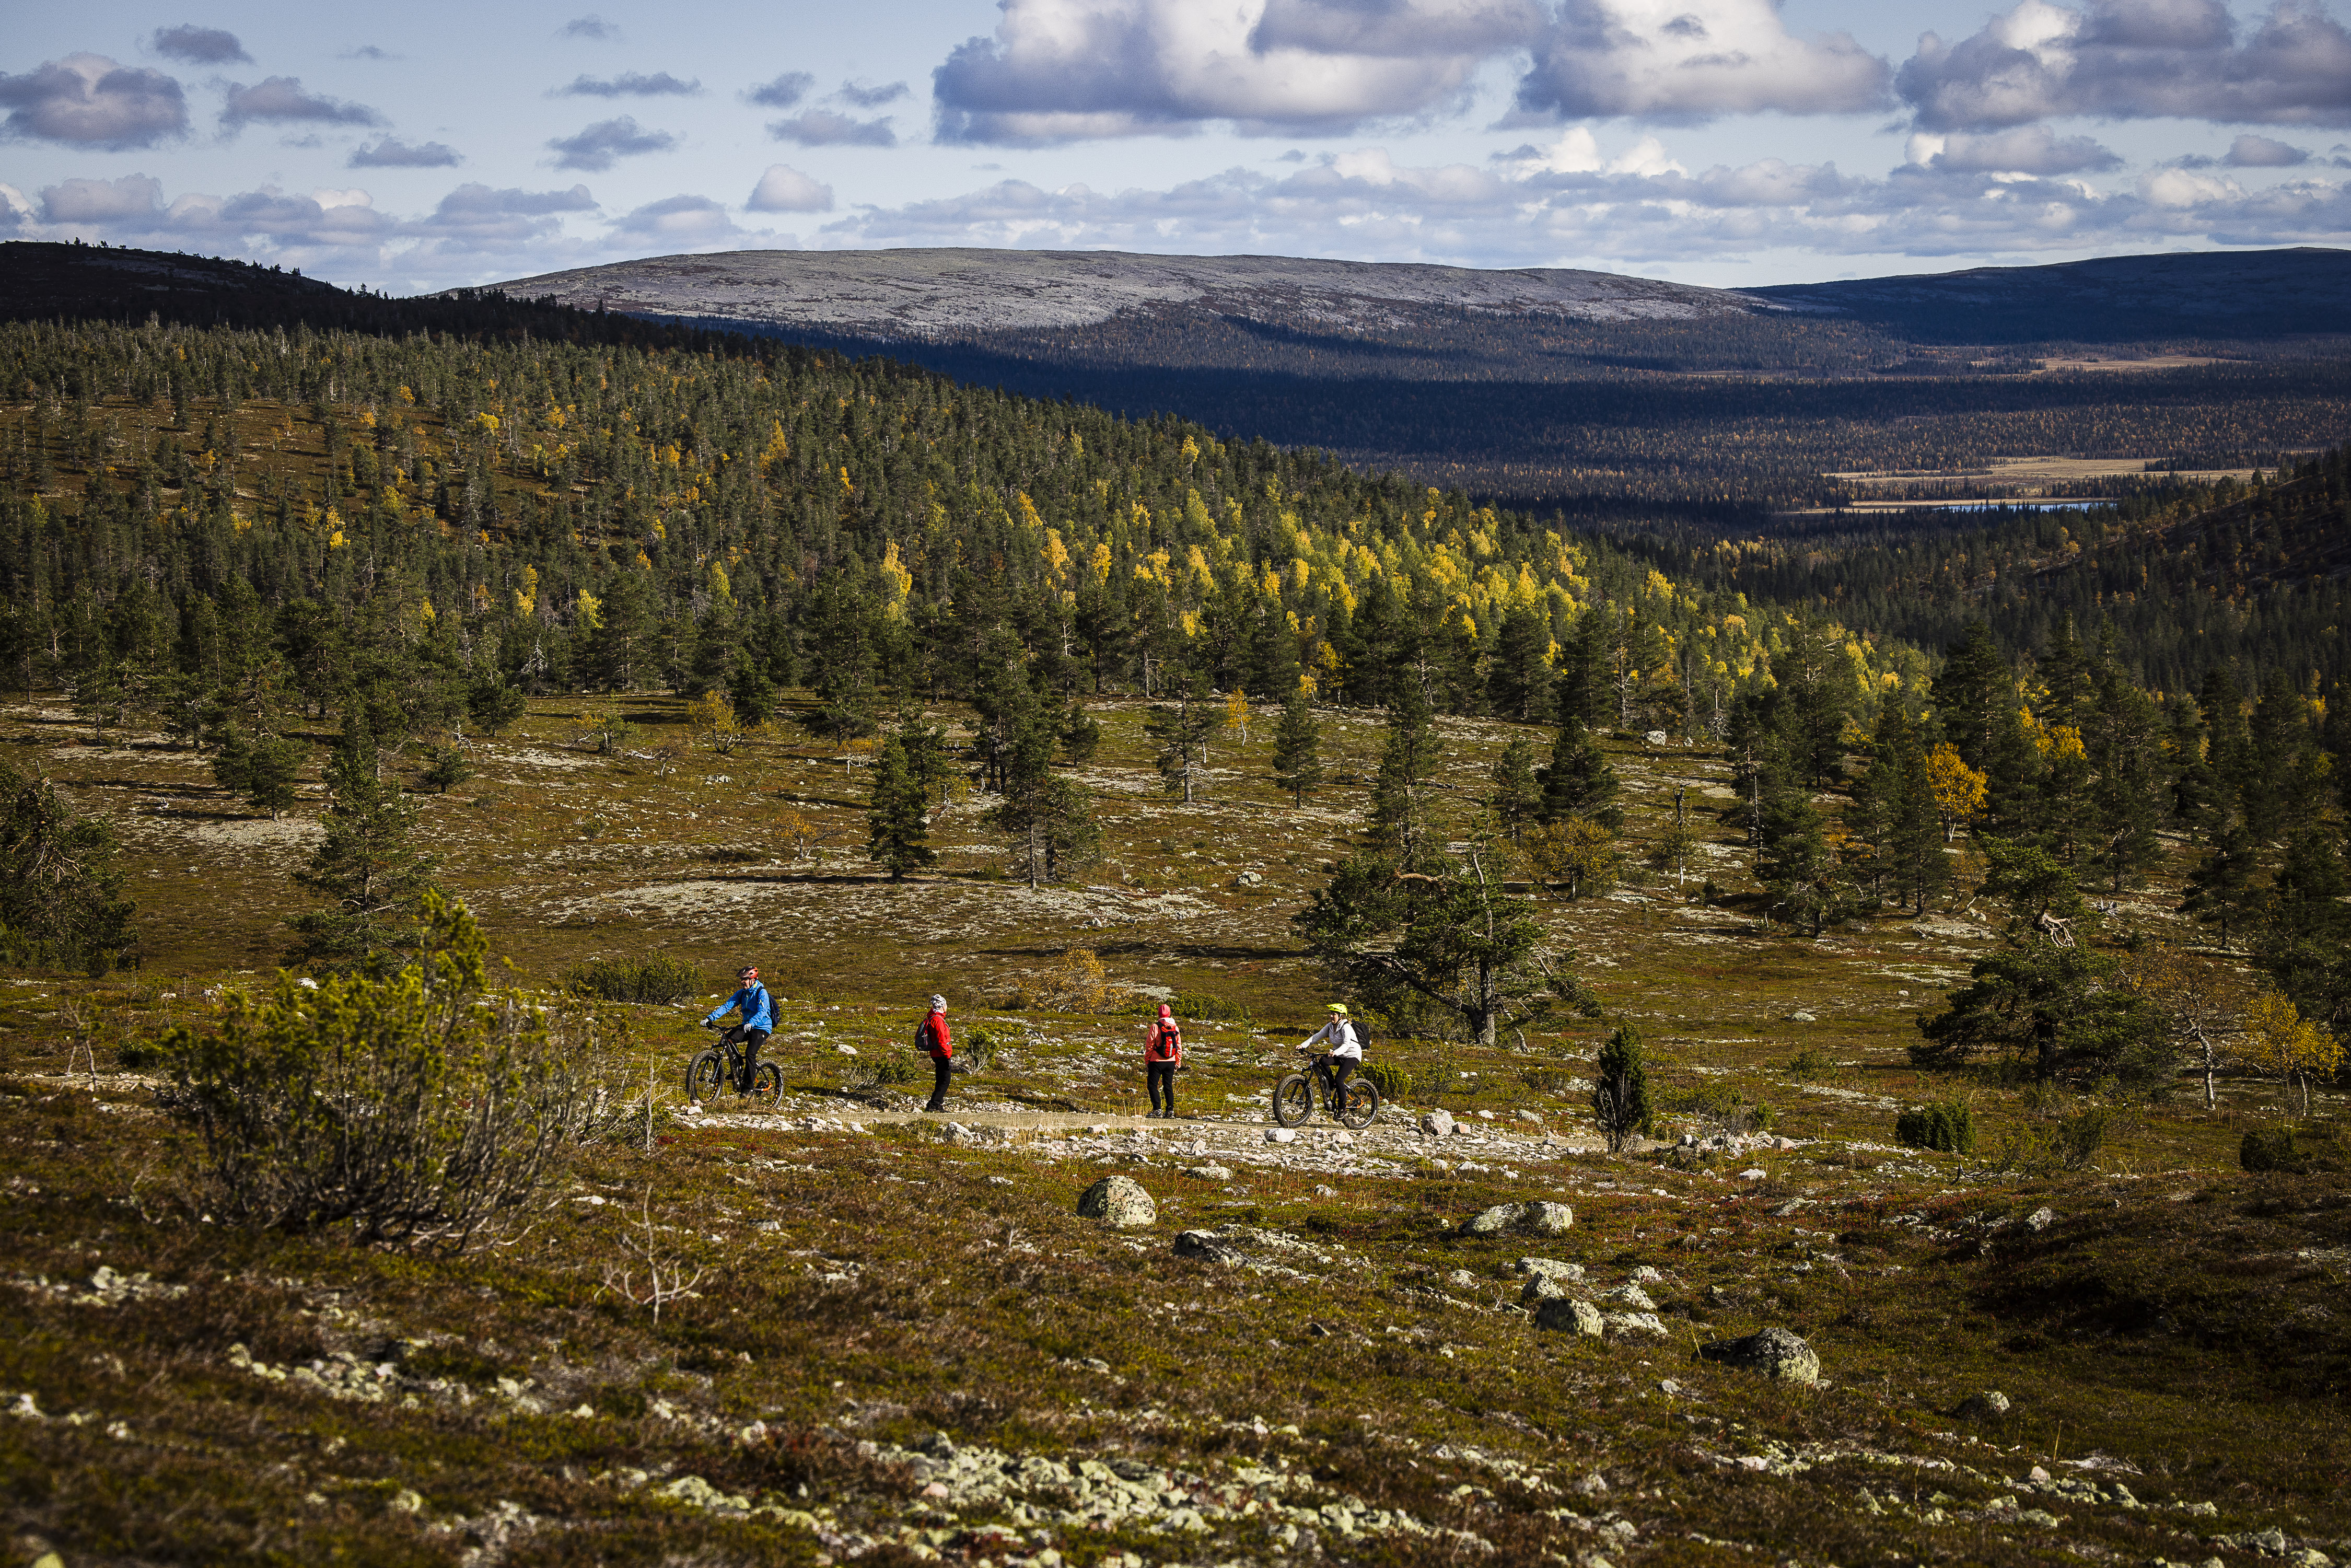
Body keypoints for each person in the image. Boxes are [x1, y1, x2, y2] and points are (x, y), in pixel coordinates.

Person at [703, 965, 774, 1092]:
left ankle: (748, 1089)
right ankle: (738, 1069)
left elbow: (763, 1011)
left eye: (745, 979)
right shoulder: (742, 993)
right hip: (747, 1025)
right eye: (741, 979)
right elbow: (727, 1006)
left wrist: (752, 1022)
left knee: (750, 1054)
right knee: (728, 1039)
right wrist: (710, 1018)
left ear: (753, 979)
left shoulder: (761, 992)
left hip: (762, 1027)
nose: (742, 982)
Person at [1297, 1001, 1363, 1117]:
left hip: (1352, 1055)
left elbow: (1347, 1045)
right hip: (1340, 1054)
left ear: (1341, 1016)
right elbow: (1317, 1036)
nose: (1331, 1016)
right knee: (1322, 1061)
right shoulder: (1330, 1026)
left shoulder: (1346, 1027)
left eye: (1334, 1014)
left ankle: (1343, 1109)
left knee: (1340, 1079)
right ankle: (1332, 1085)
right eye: (1331, 1014)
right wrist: (1303, 1045)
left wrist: (1335, 1053)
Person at [1143, 1002, 1182, 1118]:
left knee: (1152, 1085)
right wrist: (1178, 1060)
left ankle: (1157, 1110)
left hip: (1156, 1061)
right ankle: (1170, 1111)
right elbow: (1179, 1046)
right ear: (1169, 1014)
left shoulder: (1155, 1026)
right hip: (1171, 1061)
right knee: (1168, 1086)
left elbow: (1150, 1045)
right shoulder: (1175, 1027)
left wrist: (1147, 1061)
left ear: (1159, 1014)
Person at [918, 993, 952, 1112]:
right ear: (942, 1007)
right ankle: (934, 1105)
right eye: (946, 1005)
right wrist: (947, 1056)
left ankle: (935, 1104)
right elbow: (941, 1040)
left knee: (941, 1080)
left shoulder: (934, 1018)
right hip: (941, 1054)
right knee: (945, 1081)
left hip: (937, 1054)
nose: (947, 1007)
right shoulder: (938, 1020)